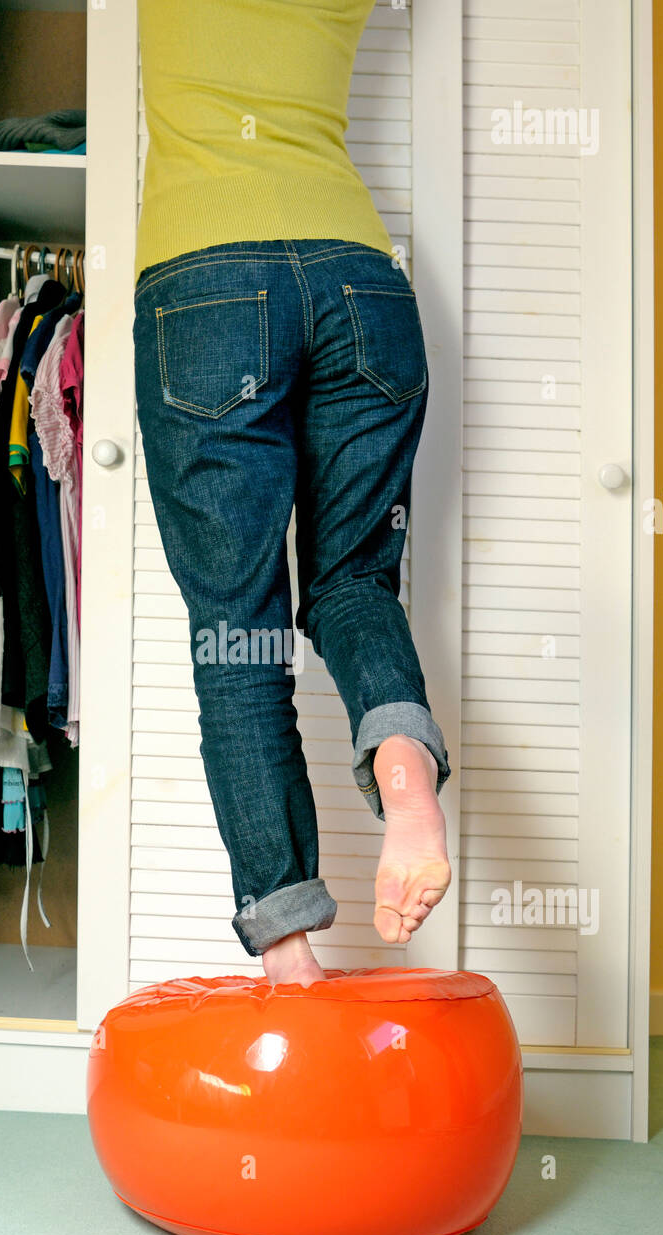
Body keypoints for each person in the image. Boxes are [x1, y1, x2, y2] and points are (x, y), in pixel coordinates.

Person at [133, 0, 452, 985]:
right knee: (353, 584)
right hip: (363, 283)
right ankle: (404, 775)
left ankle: (290, 959)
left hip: (207, 287)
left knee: (239, 630)